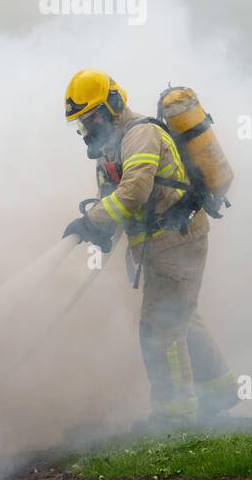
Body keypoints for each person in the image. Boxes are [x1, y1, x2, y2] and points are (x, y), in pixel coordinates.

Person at [61, 69, 236, 428]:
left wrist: (93, 221)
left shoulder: (141, 135)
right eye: (81, 121)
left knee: (160, 327)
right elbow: (114, 199)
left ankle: (174, 418)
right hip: (162, 243)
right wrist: (100, 229)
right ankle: (221, 390)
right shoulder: (110, 148)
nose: (87, 128)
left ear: (113, 105)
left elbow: (135, 191)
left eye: (90, 116)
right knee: (182, 319)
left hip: (176, 239)